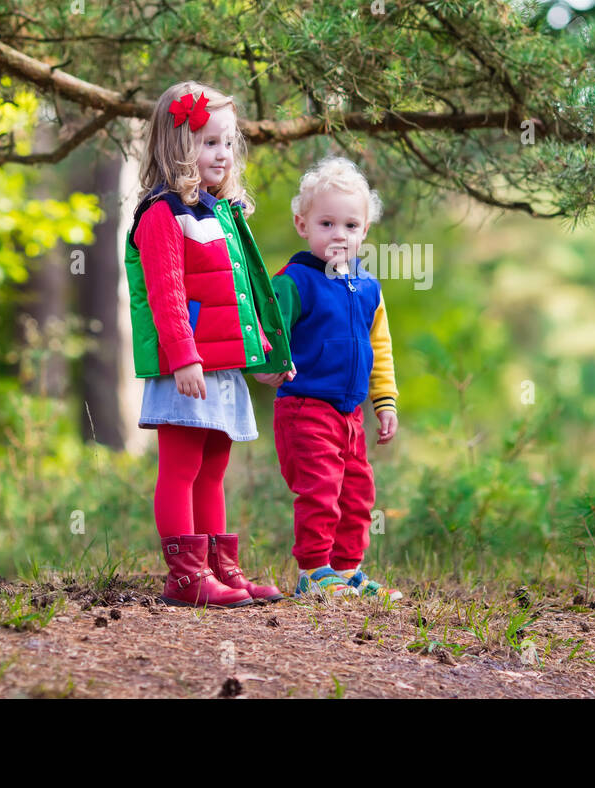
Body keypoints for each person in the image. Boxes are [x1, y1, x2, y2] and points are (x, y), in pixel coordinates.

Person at [125, 80, 295, 607]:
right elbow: (166, 292)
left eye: (228, 142)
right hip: (186, 366)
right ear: (177, 147)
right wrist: (183, 356)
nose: (222, 153)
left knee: (215, 465)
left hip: (219, 363)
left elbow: (241, 294)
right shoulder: (161, 214)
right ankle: (185, 578)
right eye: (208, 142)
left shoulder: (221, 212)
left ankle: (219, 568)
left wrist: (264, 354)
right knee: (181, 466)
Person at [256, 156, 403, 601]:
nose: (339, 234)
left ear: (364, 232)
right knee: (321, 490)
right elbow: (266, 332)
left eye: (351, 226)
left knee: (357, 494)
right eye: (326, 223)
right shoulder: (294, 280)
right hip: (304, 408)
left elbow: (380, 350)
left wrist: (386, 402)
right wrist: (267, 367)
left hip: (350, 415)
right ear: (303, 225)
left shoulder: (369, 287)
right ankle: (314, 571)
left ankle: (346, 570)